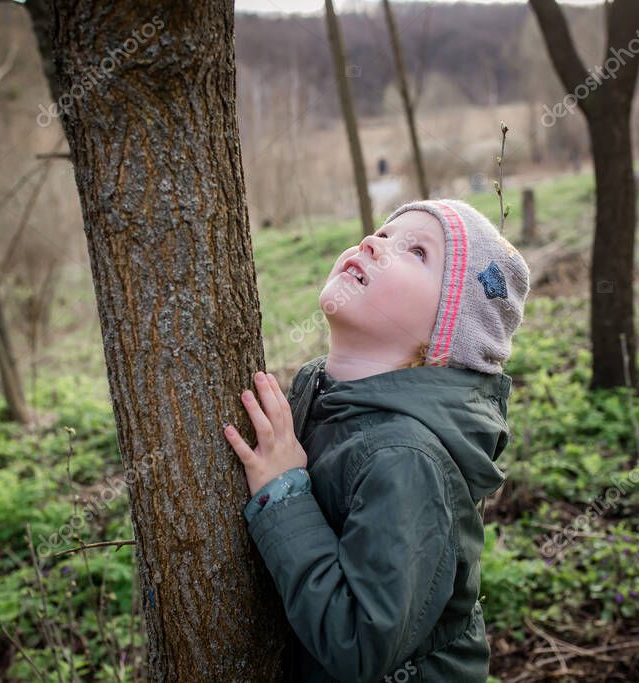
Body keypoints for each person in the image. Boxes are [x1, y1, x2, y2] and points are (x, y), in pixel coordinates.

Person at [223, 199, 531, 682]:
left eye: (417, 252)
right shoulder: (318, 387)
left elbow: (359, 644)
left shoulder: (405, 457)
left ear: (442, 336)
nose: (373, 242)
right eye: (384, 234)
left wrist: (283, 495)